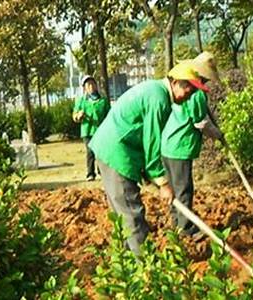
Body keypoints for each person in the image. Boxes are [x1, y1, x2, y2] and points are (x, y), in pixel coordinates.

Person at [89, 62, 210, 255]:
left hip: (109, 149)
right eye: (188, 87)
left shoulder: (155, 90)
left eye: (194, 90)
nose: (190, 93)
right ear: (176, 82)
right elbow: (152, 143)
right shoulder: (160, 99)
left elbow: (143, 137)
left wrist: (147, 173)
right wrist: (162, 182)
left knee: (121, 215)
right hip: (118, 152)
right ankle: (146, 270)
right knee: (131, 215)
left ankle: (127, 264)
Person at [161, 52, 223, 237]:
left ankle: (176, 224)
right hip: (180, 147)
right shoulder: (197, 93)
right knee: (183, 190)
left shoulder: (182, 86)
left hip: (167, 145)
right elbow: (200, 122)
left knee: (174, 189)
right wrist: (218, 135)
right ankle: (186, 229)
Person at [72, 75, 110, 181]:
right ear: (84, 88)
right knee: (90, 152)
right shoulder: (81, 101)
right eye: (88, 85)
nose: (91, 86)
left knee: (101, 152)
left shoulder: (103, 100)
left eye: (92, 84)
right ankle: (90, 173)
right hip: (87, 131)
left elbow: (109, 115)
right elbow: (74, 116)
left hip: (101, 131)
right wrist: (78, 116)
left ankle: (101, 171)